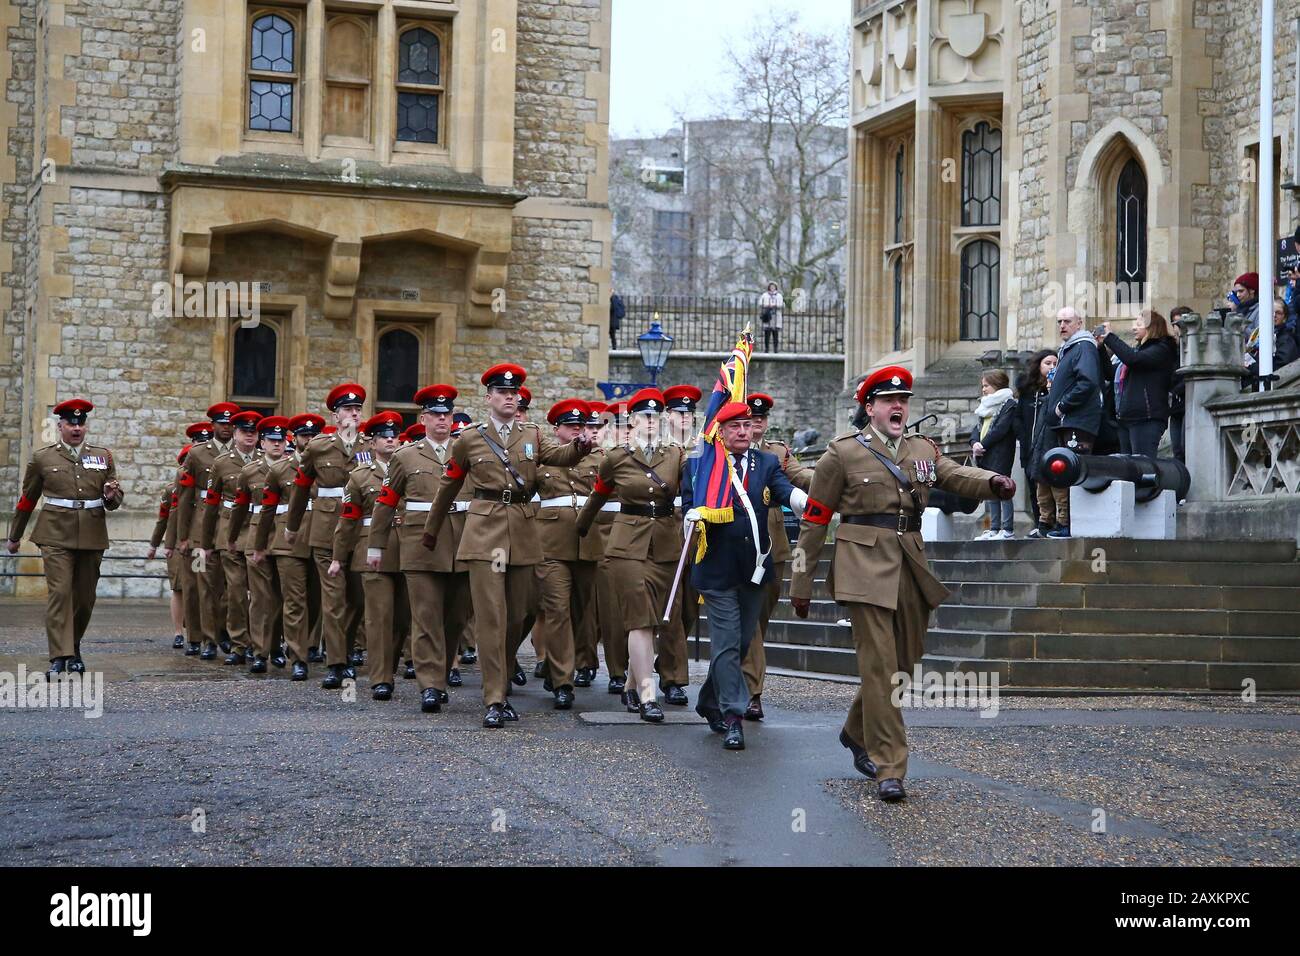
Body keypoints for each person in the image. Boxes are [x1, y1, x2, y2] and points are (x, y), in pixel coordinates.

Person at [789, 367, 1015, 801]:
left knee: (902, 665)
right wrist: (802, 583)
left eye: (903, 400)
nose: (898, 407)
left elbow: (953, 474)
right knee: (879, 667)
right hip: (861, 565)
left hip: (910, 563)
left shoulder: (921, 448)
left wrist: (993, 482)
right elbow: (815, 520)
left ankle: (856, 731)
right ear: (869, 407)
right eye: (889, 400)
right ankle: (890, 766)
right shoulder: (842, 453)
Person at [421, 365, 591, 729]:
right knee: (492, 618)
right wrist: (431, 531)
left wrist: (579, 446)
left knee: (517, 614)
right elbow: (448, 486)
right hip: (485, 532)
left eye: (515, 393)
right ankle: (494, 698)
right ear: (489, 398)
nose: (511, 397)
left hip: (523, 532)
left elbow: (560, 457)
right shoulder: (469, 438)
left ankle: (504, 667)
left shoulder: (531, 434)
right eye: (503, 392)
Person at [683, 401, 807, 750]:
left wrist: (805, 501)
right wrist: (691, 517)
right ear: (720, 431)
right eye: (734, 426)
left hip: (755, 568)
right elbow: (687, 501)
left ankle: (709, 701)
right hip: (716, 567)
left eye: (747, 426)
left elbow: (783, 489)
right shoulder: (701, 463)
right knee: (724, 642)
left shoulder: (765, 462)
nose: (742, 431)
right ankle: (733, 716)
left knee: (738, 644)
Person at [575, 388, 687, 723]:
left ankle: (629, 684)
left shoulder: (677, 455)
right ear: (632, 420)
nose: (650, 422)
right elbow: (599, 493)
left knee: (658, 621)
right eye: (643, 416)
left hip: (665, 544)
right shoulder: (615, 457)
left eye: (656, 416)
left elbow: (695, 482)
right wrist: (580, 528)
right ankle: (648, 695)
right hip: (627, 547)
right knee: (640, 620)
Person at [6, 398, 125, 678]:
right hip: (55, 534)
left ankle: (73, 646)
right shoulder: (43, 458)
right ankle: (60, 656)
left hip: (92, 534)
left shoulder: (103, 456)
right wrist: (15, 535)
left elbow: (114, 498)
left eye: (80, 423)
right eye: (70, 423)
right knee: (60, 593)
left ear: (86, 426)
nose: (76, 428)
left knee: (84, 598)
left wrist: (111, 496)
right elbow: (27, 499)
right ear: (60, 426)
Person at [368, 386, 468, 714]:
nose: (442, 420)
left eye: (447, 415)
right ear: (423, 418)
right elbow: (385, 502)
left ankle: (443, 670)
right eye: (436, 415)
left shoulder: (467, 450)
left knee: (454, 619)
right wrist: (377, 545)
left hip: (460, 542)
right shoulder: (405, 456)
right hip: (419, 544)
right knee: (425, 618)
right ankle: (430, 685)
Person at [285, 383, 369, 690]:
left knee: (356, 600)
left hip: (359, 533)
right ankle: (337, 663)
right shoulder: (318, 447)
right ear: (336, 415)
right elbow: (299, 488)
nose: (354, 414)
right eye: (348, 409)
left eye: (357, 409)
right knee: (333, 599)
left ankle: (345, 650)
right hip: (324, 531)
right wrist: (292, 527)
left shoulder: (369, 447)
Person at [740, 393, 812, 721]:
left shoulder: (778, 452)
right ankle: (752, 691)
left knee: (761, 617)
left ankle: (736, 673)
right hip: (738, 538)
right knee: (748, 616)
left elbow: (802, 477)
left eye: (761, 419)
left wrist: (839, 476)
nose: (756, 424)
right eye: (750, 419)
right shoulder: (726, 449)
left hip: (772, 544)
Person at [332, 412, 409, 702]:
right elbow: (348, 520)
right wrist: (339, 557)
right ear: (373, 442)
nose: (391, 440)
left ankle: (389, 667)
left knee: (402, 618)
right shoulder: (360, 476)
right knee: (378, 617)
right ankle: (381, 678)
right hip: (371, 551)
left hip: (408, 549)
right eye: (384, 436)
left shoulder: (411, 468)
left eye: (394, 436)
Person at [531, 399, 596, 709]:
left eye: (580, 427)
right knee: (557, 610)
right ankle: (562, 681)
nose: (576, 432)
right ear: (556, 430)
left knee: (584, 612)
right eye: (570, 427)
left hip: (589, 543)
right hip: (551, 545)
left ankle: (571, 663)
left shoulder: (598, 457)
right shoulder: (539, 460)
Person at [252, 413, 325, 681]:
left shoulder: (327, 468)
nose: (309, 440)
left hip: (319, 538)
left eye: (314, 436)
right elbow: (267, 510)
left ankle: (306, 645)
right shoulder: (280, 470)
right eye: (305, 436)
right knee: (294, 601)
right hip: (287, 543)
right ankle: (298, 657)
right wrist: (260, 546)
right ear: (294, 439)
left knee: (316, 601)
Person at [1029, 308, 1102, 538]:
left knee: (1070, 473)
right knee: (1061, 471)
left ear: (1079, 323)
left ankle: (1068, 525)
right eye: (1059, 321)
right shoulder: (1070, 349)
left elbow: (1087, 382)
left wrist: (1062, 406)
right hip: (1066, 422)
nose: (1062, 325)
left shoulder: (1083, 347)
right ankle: (1057, 524)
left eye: (1067, 321)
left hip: (1076, 422)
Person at [176, 403, 240, 660]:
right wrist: (183, 536)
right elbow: (185, 497)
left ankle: (223, 631)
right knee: (201, 586)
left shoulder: (243, 452)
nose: (226, 428)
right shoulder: (197, 454)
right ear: (212, 425)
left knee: (230, 586)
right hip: (201, 525)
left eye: (229, 424)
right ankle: (201, 638)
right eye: (221, 424)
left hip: (229, 523)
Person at [198, 410, 262, 665]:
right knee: (235, 593)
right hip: (230, 534)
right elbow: (210, 505)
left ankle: (258, 645)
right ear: (235, 434)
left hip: (257, 530)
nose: (249, 436)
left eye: (253, 432)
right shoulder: (222, 463)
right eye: (244, 432)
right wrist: (206, 543)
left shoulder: (267, 460)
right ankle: (238, 644)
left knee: (258, 594)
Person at [228, 416, 289, 673]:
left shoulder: (294, 468)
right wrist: (231, 538)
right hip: (256, 537)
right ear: (262, 443)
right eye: (272, 440)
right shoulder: (250, 471)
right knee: (260, 598)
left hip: (283, 536)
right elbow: (240, 508)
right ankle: (259, 652)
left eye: (281, 440)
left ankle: (275, 645)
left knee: (281, 596)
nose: (277, 444)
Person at [1100, 309, 1179, 457]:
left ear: (1152, 327)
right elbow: (1110, 373)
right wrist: (1100, 348)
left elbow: (1133, 360)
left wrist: (1111, 337)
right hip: (1126, 417)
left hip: (1146, 418)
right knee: (1127, 469)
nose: (1133, 328)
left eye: (1139, 324)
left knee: (1143, 466)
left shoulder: (1161, 349)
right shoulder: (1139, 351)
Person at [1013, 350, 1057, 537]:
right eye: (1048, 363)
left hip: (1051, 444)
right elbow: (1019, 417)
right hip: (1030, 445)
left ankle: (1055, 523)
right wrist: (1023, 437)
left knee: (1054, 486)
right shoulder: (1028, 391)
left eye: (1055, 363)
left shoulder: (1058, 388)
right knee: (1034, 486)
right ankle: (1040, 522)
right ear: (1039, 365)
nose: (1052, 367)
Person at [970, 370, 1018, 539]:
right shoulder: (984, 405)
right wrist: (975, 443)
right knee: (990, 491)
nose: (983, 389)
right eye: (983, 386)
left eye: (986, 385)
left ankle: (1007, 530)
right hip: (984, 453)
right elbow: (976, 428)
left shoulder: (1009, 404)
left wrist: (981, 445)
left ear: (997, 385)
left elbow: (1001, 429)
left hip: (1000, 453)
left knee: (1004, 489)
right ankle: (994, 529)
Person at [1245, 298, 1300, 386]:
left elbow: (1281, 367)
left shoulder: (1286, 339)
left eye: (1278, 313)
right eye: (1270, 311)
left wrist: (1253, 367)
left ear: (1285, 318)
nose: (1274, 315)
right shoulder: (1259, 335)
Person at [1168, 306, 1192, 462]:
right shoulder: (1172, 348)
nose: (1179, 328)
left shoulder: (1195, 345)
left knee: (1186, 446)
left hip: (1188, 402)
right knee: (1177, 448)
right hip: (1175, 407)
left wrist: (1175, 390)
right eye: (1176, 324)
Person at [759, 282, 785, 353]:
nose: (772, 288)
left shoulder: (779, 295)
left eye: (773, 287)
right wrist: (768, 305)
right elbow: (761, 303)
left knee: (775, 333)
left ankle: (775, 349)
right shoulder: (765, 295)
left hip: (776, 316)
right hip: (768, 315)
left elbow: (782, 304)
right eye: (771, 287)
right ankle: (766, 348)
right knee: (767, 333)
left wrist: (775, 305)